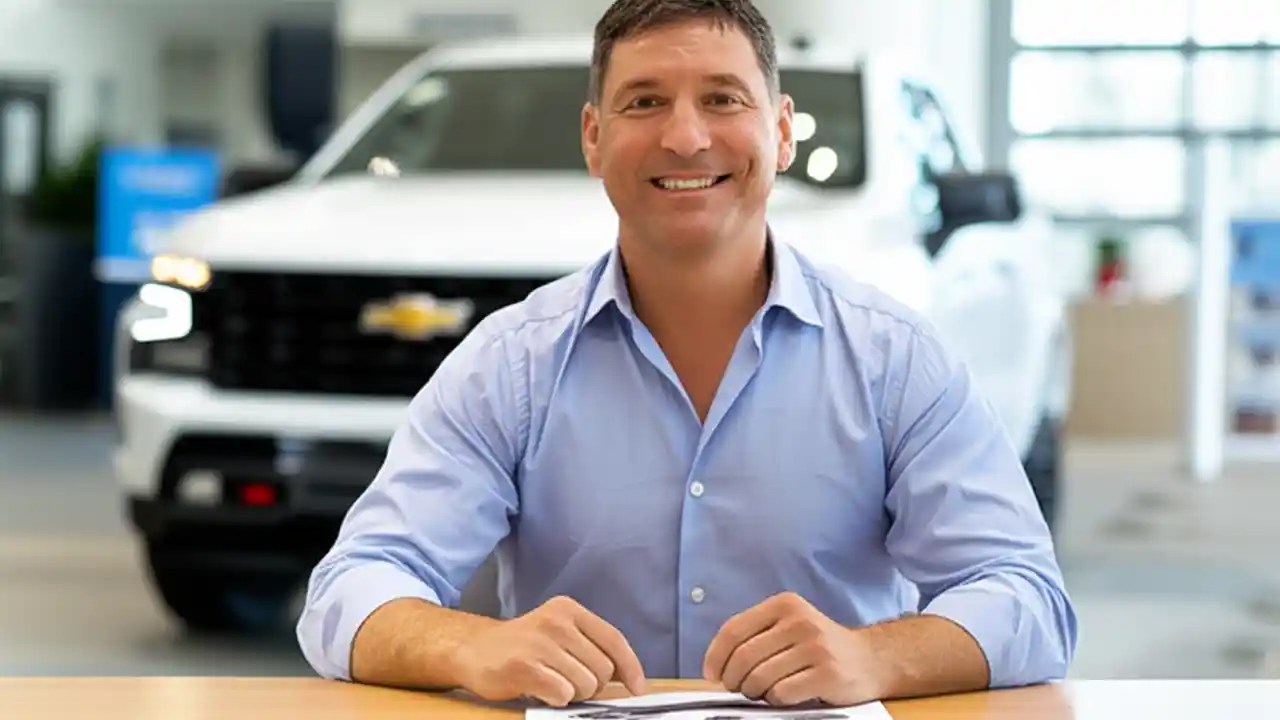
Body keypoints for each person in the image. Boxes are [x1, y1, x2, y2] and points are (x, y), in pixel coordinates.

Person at [297, 0, 1077, 709]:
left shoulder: (896, 360)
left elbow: (1028, 596)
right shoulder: (508, 366)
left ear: (779, 130)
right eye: (644, 102)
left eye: (722, 98)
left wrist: (877, 657)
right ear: (594, 138)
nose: (685, 135)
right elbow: (349, 591)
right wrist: (471, 643)